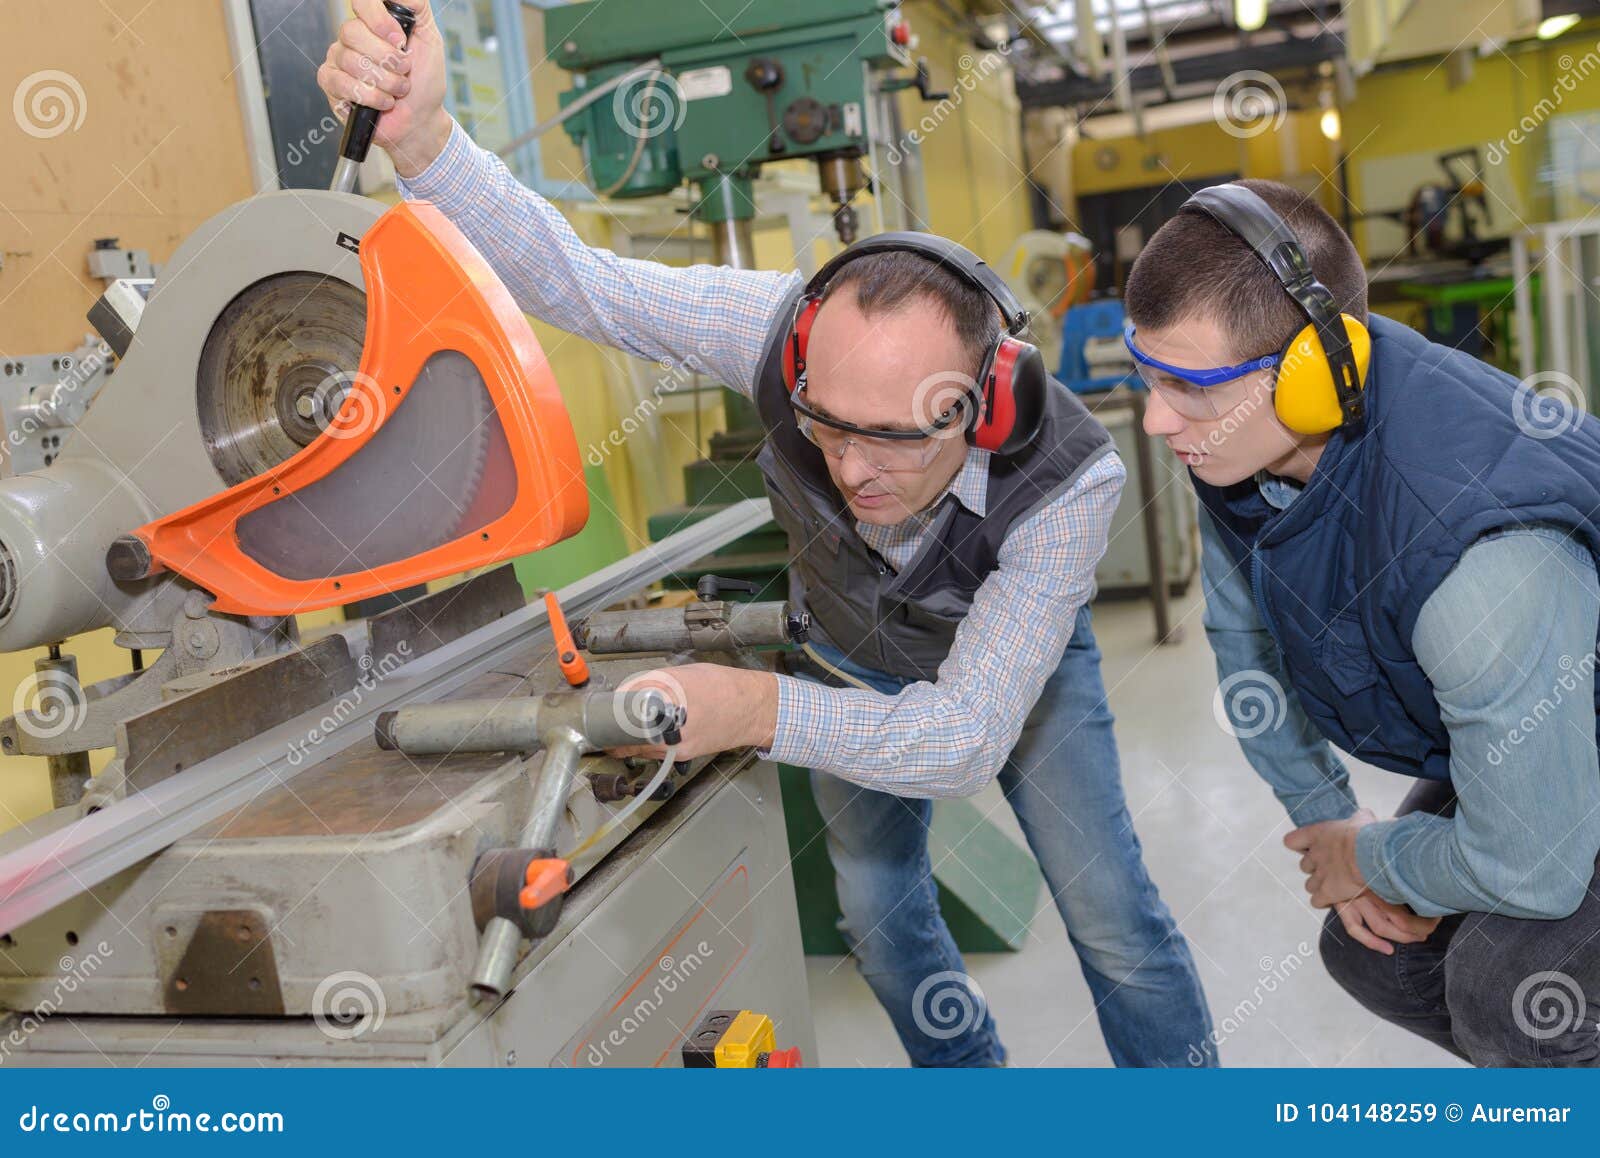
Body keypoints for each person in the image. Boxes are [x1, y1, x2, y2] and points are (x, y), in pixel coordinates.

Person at [316, 0, 1215, 1067]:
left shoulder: (1070, 481)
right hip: (844, 654)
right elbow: (580, 283)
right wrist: (422, 140)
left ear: (985, 408)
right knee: (881, 930)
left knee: (1114, 923)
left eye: (892, 440)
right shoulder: (770, 331)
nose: (849, 470)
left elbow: (963, 737)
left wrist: (751, 706)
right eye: (826, 426)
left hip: (1007, 683)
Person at [1125, 177, 1600, 1066]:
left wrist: (1372, 855)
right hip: (1551, 732)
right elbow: (1245, 641)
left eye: (1186, 387)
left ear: (1313, 373)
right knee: (1378, 954)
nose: (1155, 419)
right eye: (1146, 373)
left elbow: (1536, 867)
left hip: (1574, 734)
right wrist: (1328, 823)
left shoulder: (1480, 564)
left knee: (1512, 991)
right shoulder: (1238, 449)